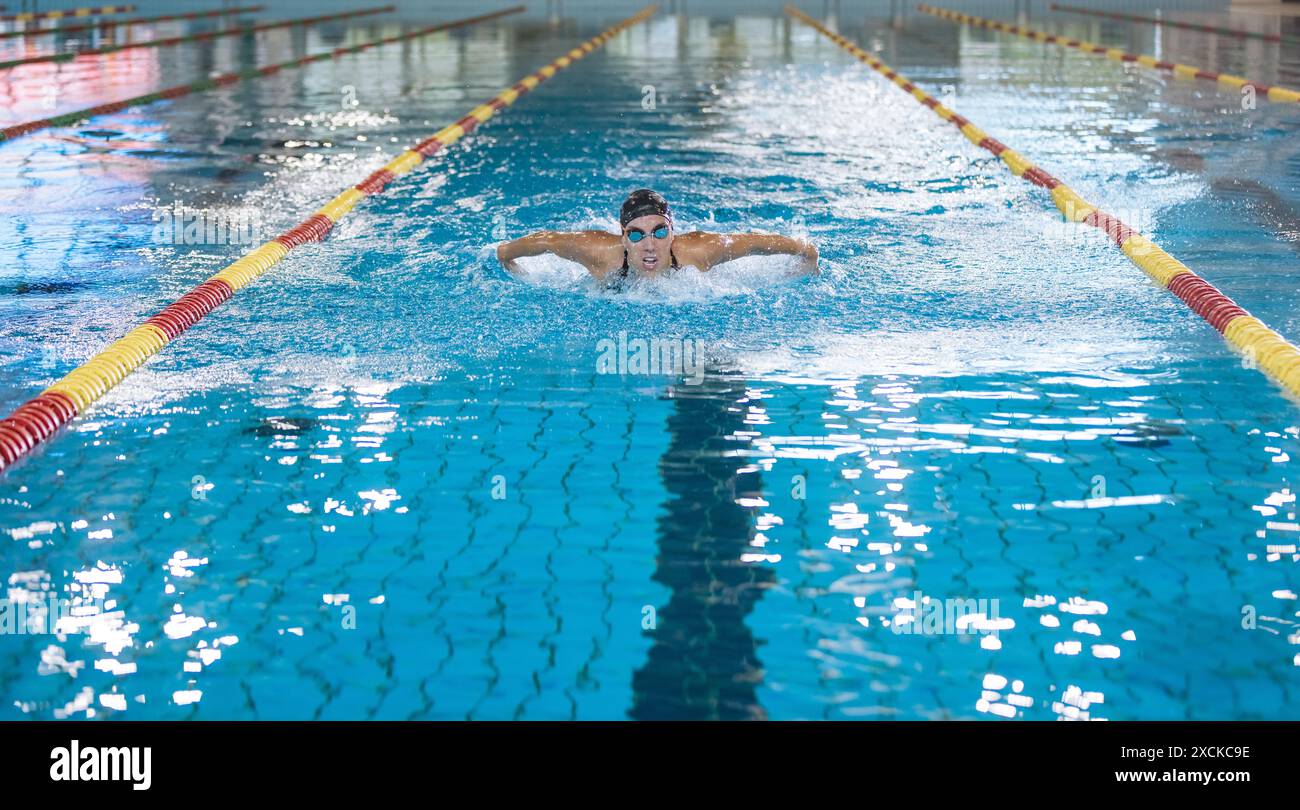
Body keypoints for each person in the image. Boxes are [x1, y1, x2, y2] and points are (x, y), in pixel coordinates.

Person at [496, 189, 819, 285]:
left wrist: (807, 259)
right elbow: (544, 241)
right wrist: (512, 265)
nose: (649, 244)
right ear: (622, 237)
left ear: (672, 233)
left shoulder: (698, 251)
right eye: (636, 235)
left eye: (659, 232)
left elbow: (758, 242)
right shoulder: (598, 251)